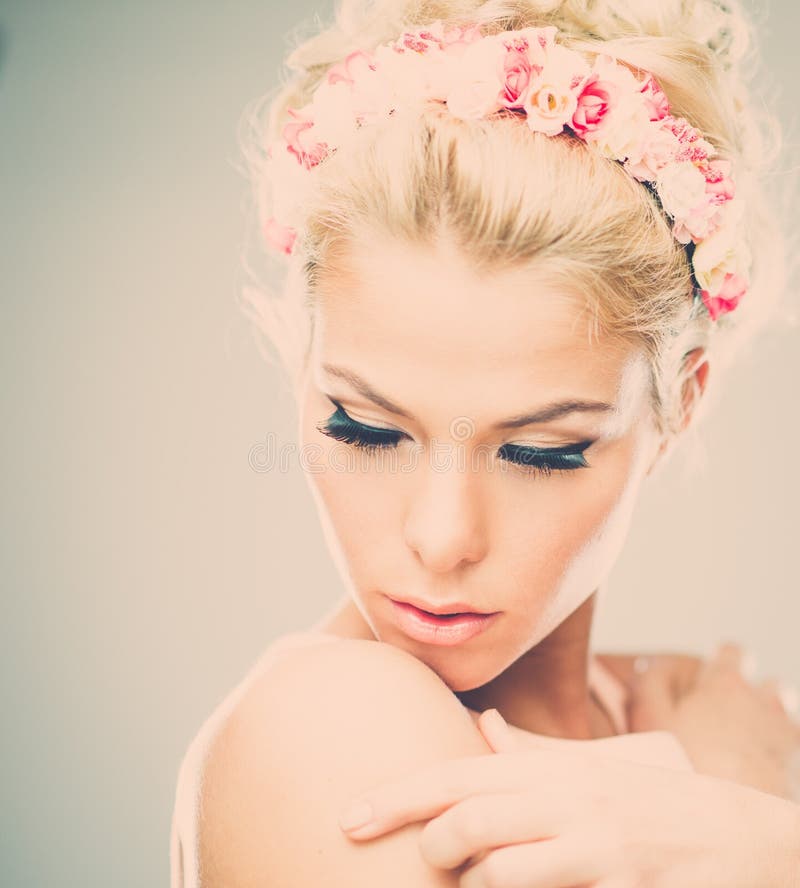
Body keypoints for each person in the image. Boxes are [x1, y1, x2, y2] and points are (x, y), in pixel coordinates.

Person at [170, 1, 800, 885]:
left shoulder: (690, 713)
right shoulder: (327, 724)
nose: (440, 538)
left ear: (681, 401)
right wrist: (748, 805)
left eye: (538, 451)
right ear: (300, 370)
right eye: (365, 428)